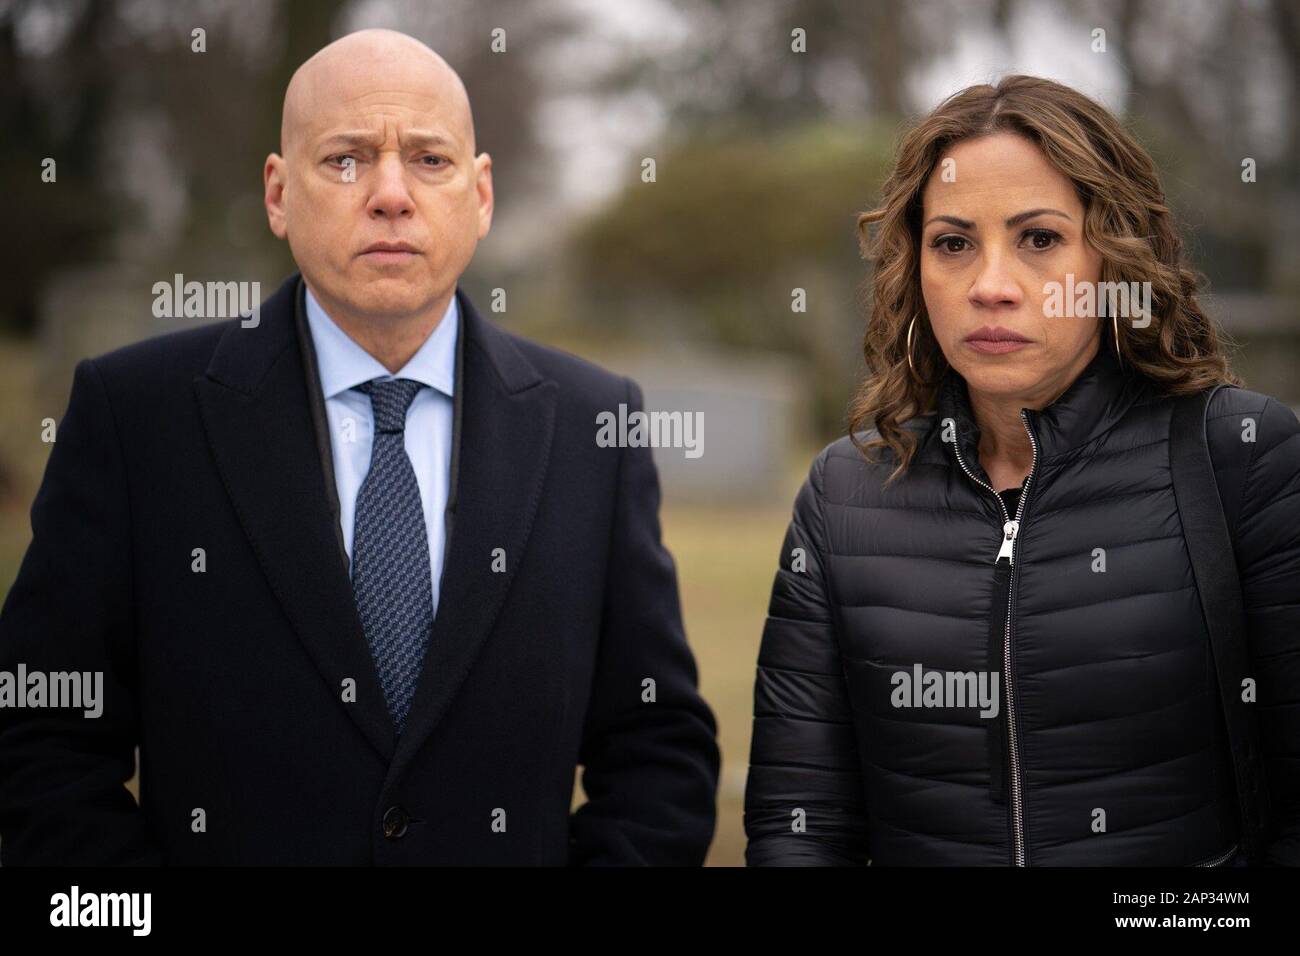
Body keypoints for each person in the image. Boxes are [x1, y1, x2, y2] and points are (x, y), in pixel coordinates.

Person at [0, 28, 718, 866]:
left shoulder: (598, 427)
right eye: (344, 159)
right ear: (277, 193)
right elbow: (40, 735)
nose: (389, 194)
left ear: (481, 196)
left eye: (429, 160)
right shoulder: (135, 417)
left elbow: (658, 746)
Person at [743, 75, 1299, 866]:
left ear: (1112, 256)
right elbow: (799, 827)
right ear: (913, 264)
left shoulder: (1242, 456)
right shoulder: (845, 493)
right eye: (953, 243)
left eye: (1039, 239)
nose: (991, 287)